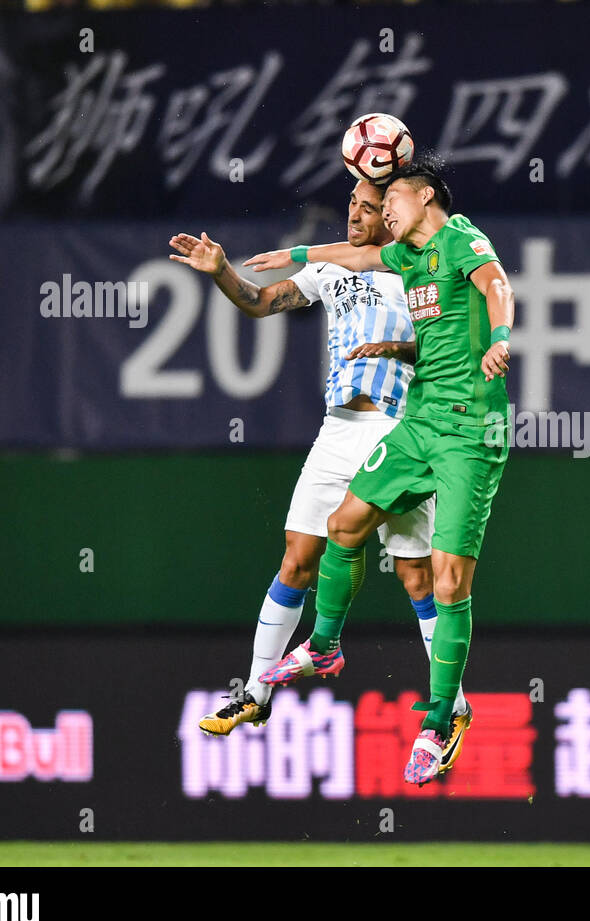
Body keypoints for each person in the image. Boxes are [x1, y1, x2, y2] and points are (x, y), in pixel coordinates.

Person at [166, 178, 472, 774]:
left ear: (393, 213)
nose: (355, 216)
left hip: (401, 428)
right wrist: (221, 271)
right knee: (296, 559)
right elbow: (260, 301)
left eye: (368, 208)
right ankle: (255, 694)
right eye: (352, 206)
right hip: (336, 432)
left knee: (416, 577)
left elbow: (453, 346)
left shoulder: (423, 269)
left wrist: (399, 351)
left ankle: (451, 709)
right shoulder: (332, 270)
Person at [243, 159, 513, 785]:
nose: (383, 211)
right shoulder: (408, 260)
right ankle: (325, 644)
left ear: (424, 197)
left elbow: (497, 283)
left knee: (447, 584)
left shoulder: (461, 237)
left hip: (471, 433)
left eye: (391, 199)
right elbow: (358, 257)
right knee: (345, 523)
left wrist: (501, 335)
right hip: (418, 425)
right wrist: (295, 252)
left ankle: (442, 719)